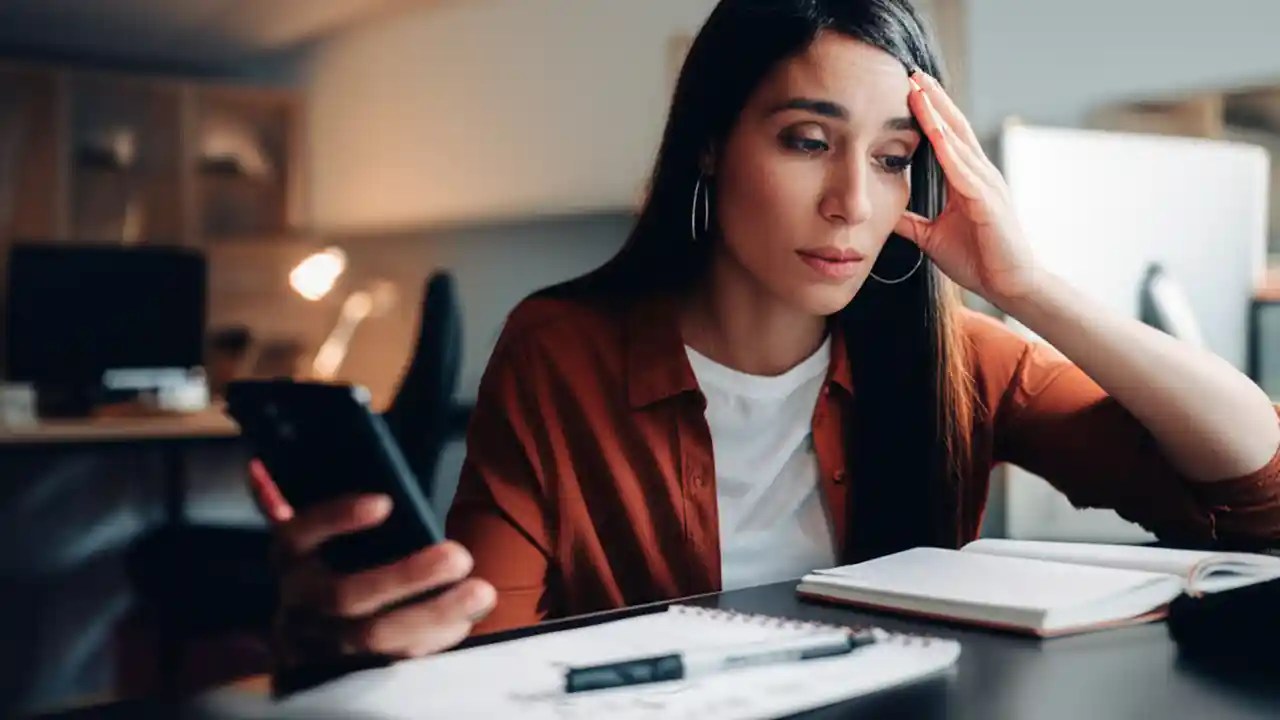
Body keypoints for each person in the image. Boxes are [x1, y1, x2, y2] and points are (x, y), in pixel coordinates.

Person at [250, 0, 1280, 676]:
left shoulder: (956, 353)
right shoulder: (560, 347)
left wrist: (1028, 285)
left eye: (889, 159)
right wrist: (348, 638)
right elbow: (481, 656)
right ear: (709, 144)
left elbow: (1256, 494)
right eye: (806, 141)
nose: (848, 202)